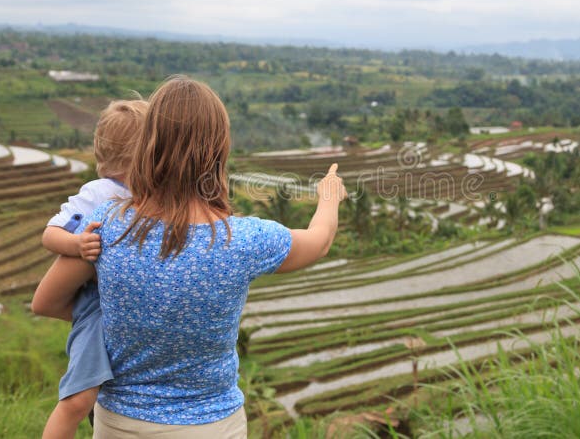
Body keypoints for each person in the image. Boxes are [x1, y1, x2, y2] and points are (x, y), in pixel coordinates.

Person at [37, 76, 345, 438]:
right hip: (213, 426)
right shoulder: (242, 239)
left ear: (148, 144)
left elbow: (46, 302)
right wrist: (328, 196)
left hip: (120, 423)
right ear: (218, 151)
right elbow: (319, 241)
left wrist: (128, 316)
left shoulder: (106, 225)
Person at [32, 99, 148, 439]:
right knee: (79, 398)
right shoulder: (100, 193)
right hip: (96, 310)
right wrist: (77, 245)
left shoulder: (148, 194)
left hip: (123, 305)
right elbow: (50, 232)